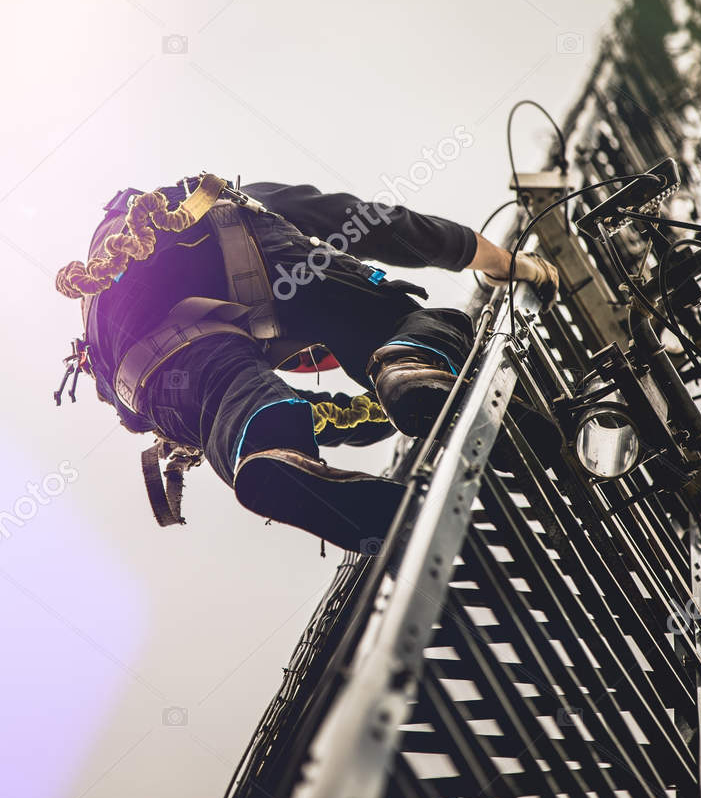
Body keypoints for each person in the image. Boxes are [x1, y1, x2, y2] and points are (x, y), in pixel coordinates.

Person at [54, 174, 557, 551]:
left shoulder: (228, 344)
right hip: (215, 239)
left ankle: (273, 458)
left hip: (136, 370)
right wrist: (511, 266)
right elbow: (395, 228)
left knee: (234, 402)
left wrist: (390, 408)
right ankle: (409, 356)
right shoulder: (260, 199)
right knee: (402, 319)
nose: (313, 348)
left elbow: (321, 416)